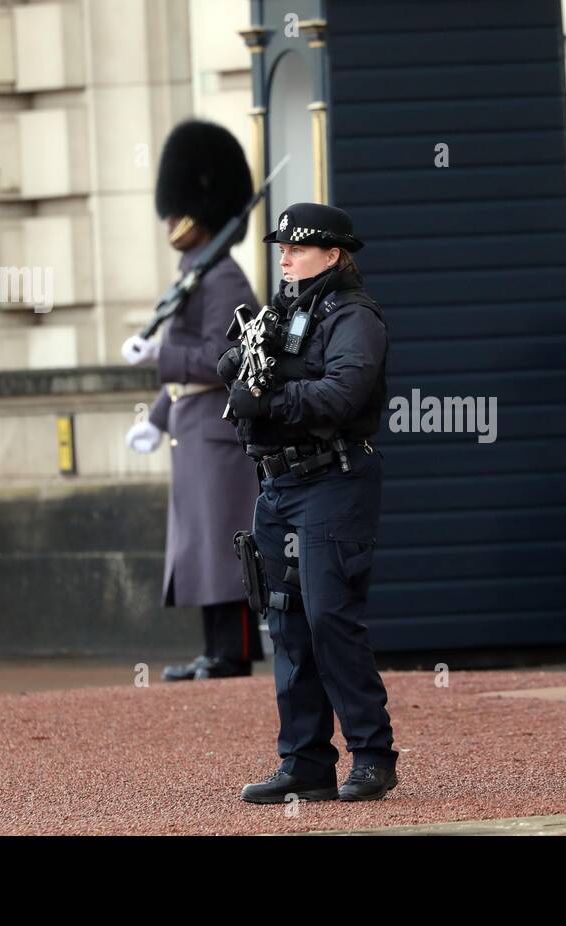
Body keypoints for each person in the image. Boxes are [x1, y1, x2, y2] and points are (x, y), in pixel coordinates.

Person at [222, 202, 398, 802]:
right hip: (279, 484)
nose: (286, 257)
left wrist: (268, 399)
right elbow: (249, 373)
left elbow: (343, 394)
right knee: (288, 622)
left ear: (333, 254)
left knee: (330, 618)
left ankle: (372, 755)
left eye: (297, 249)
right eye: (283, 249)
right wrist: (241, 370)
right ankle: (305, 762)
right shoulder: (283, 310)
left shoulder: (355, 315)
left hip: (335, 479)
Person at [122, 119, 262, 681]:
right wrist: (157, 418)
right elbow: (186, 358)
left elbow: (223, 361)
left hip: (217, 431)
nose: (171, 222)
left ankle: (234, 652)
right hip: (192, 428)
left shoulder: (223, 279)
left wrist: (155, 358)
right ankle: (215, 649)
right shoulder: (196, 275)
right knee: (202, 546)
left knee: (225, 546)